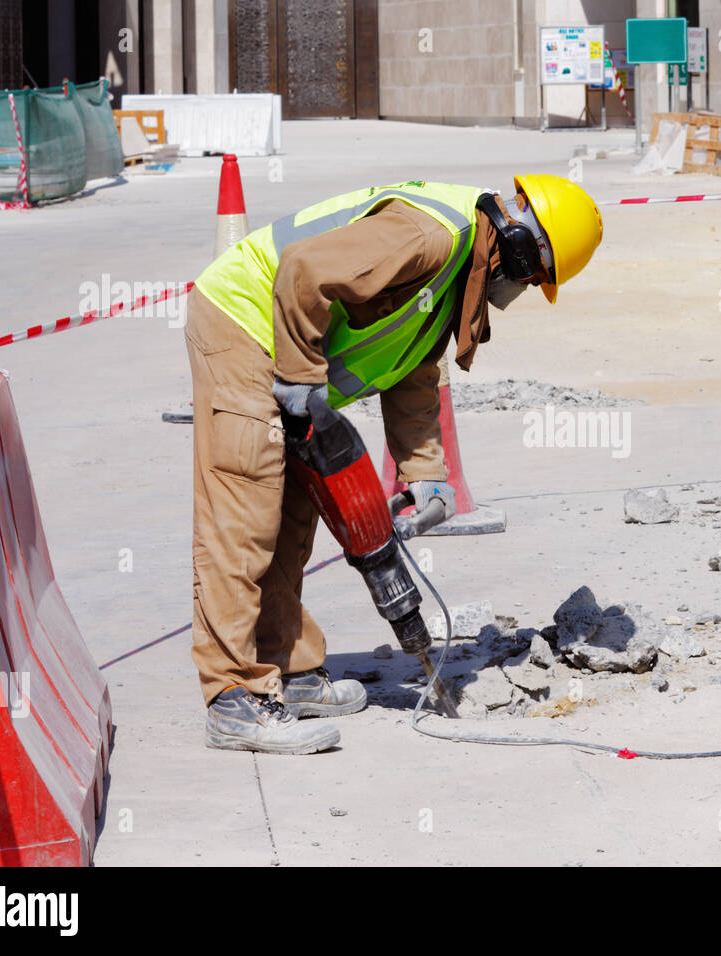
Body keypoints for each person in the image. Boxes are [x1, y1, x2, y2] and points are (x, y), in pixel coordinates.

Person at [184, 175, 603, 753]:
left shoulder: (459, 269)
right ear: (522, 244)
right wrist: (300, 381)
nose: (524, 288)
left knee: (293, 515)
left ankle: (290, 670)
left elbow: (413, 366)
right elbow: (303, 271)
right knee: (246, 512)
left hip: (290, 341)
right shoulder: (431, 236)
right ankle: (234, 697)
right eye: (533, 276)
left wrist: (425, 471)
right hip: (248, 322)